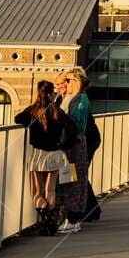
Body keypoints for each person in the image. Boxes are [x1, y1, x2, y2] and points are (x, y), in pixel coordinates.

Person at [16, 81, 72, 235]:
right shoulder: (57, 111)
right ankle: (50, 223)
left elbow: (17, 119)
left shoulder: (32, 111)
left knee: (36, 193)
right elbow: (71, 128)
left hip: (38, 155)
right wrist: (63, 143)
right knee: (50, 190)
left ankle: (45, 220)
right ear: (50, 94)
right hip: (55, 154)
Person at [56, 68, 93, 234]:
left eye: (69, 80)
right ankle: (71, 217)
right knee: (69, 179)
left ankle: (73, 219)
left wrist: (58, 115)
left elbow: (75, 123)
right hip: (71, 145)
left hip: (74, 145)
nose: (66, 83)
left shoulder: (81, 100)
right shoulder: (73, 98)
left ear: (77, 82)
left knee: (74, 180)